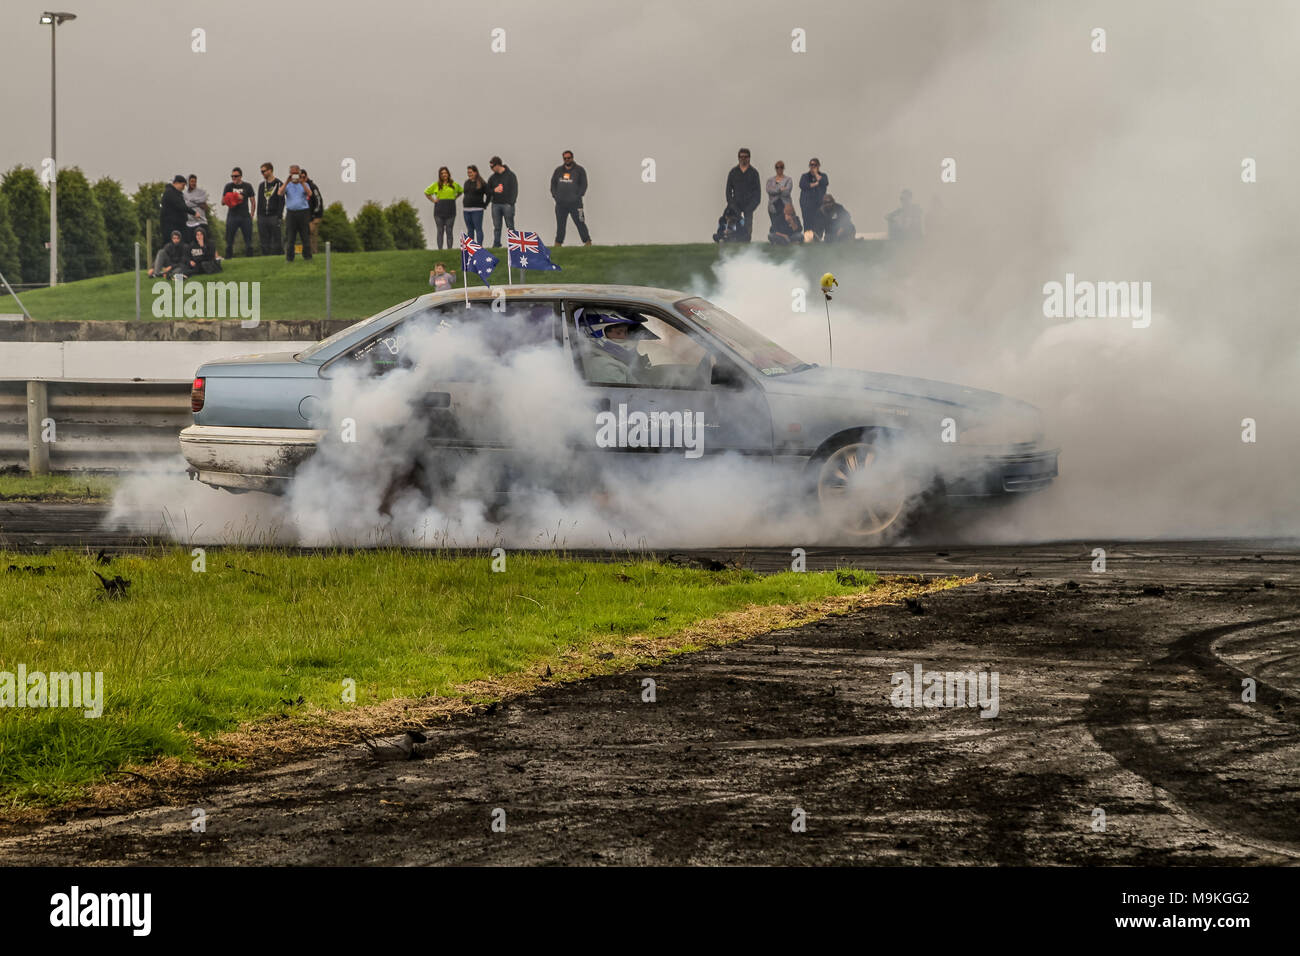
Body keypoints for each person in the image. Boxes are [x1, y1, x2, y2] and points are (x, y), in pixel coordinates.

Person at [575, 309, 651, 384]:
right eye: (618, 332)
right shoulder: (605, 367)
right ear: (596, 333)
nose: (624, 337)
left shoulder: (607, 358)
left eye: (626, 332)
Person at [550, 149, 591, 246]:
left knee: (580, 222)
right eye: (565, 158)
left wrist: (577, 196)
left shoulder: (580, 170)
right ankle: (558, 243)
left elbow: (584, 185)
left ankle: (587, 242)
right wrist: (556, 196)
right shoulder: (558, 171)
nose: (567, 160)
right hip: (561, 204)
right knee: (560, 225)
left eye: (568, 158)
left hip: (576, 204)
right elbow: (553, 184)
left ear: (572, 158)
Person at [724, 148, 761, 242]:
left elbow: (757, 193)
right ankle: (731, 239)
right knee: (731, 227)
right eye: (741, 157)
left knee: (747, 233)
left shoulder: (754, 173)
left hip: (749, 204)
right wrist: (732, 204)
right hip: (735, 204)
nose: (743, 159)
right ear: (738, 158)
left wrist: (751, 206)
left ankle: (745, 242)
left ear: (749, 158)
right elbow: (728, 191)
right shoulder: (733, 172)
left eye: (745, 157)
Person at [278, 164, 313, 261]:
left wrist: (302, 182)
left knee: (305, 236)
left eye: (296, 173)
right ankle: (289, 258)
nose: (295, 175)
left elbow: (310, 193)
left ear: (299, 173)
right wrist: (287, 181)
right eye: (292, 173)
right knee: (290, 237)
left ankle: (307, 257)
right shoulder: (288, 185)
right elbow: (280, 193)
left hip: (303, 212)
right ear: (290, 174)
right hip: (291, 213)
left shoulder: (305, 184)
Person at [423, 166, 463, 250]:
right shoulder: (436, 185)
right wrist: (433, 200)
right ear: (440, 175)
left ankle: (449, 250)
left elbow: (461, 191)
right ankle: (440, 250)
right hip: (439, 211)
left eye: (445, 173)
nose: (444, 175)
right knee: (440, 231)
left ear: (448, 174)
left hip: (451, 210)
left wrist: (455, 197)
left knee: (449, 231)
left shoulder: (454, 184)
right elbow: (426, 192)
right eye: (442, 173)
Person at [221, 167, 255, 258]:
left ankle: (250, 260)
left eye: (236, 176)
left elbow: (253, 201)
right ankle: (228, 259)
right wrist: (231, 197)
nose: (234, 178)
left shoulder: (247, 186)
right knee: (229, 241)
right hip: (232, 216)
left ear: (240, 176)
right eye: (232, 176)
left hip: (245, 216)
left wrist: (252, 214)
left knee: (248, 241)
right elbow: (222, 202)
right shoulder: (228, 186)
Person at [487, 156, 518, 247]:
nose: (491, 169)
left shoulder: (511, 175)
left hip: (507, 205)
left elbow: (514, 190)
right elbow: (487, 191)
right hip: (496, 205)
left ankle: (514, 245)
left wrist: (511, 203)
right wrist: (494, 190)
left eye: (492, 167)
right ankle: (496, 244)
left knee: (510, 226)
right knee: (497, 227)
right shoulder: (492, 178)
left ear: (497, 165)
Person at [256, 162, 284, 256]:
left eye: (264, 171)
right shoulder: (261, 185)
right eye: (261, 172)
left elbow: (281, 201)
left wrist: (279, 216)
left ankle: (277, 257)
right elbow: (259, 201)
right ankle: (265, 257)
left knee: (276, 239)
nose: (262, 174)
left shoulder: (279, 184)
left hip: (274, 216)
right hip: (262, 216)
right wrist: (258, 216)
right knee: (264, 239)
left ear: (270, 170)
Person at [798, 158, 829, 240]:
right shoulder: (805, 176)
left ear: (818, 166)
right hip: (807, 204)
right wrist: (815, 184)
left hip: (819, 204)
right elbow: (803, 185)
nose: (813, 166)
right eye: (811, 165)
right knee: (807, 222)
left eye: (815, 165)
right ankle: (808, 239)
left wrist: (816, 174)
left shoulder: (823, 176)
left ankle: (817, 239)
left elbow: (824, 182)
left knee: (819, 222)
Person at [462, 165, 488, 245]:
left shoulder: (481, 183)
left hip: (477, 210)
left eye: (471, 172)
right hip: (466, 210)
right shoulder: (467, 182)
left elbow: (489, 194)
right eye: (468, 172)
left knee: (478, 228)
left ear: (475, 172)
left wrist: (485, 204)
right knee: (470, 229)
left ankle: (479, 246)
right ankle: (471, 247)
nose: (469, 174)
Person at [160, 176, 189, 247]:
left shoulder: (177, 194)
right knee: (170, 245)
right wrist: (194, 213)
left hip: (177, 225)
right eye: (183, 185)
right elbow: (181, 206)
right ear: (177, 183)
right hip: (171, 226)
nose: (183, 188)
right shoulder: (170, 193)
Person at [765, 161, 793, 232]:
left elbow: (787, 192)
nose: (779, 169)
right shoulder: (770, 180)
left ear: (783, 168)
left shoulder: (788, 179)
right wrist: (780, 189)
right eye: (777, 167)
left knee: (785, 227)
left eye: (781, 167)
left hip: (785, 207)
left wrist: (775, 190)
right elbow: (769, 190)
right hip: (773, 207)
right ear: (775, 168)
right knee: (775, 227)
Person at [302, 168, 324, 254]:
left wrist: (315, 214)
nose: (303, 179)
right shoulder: (301, 187)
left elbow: (319, 200)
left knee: (311, 234)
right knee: (307, 235)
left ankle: (313, 252)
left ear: (306, 176)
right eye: (301, 177)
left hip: (314, 216)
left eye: (304, 177)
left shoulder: (312, 187)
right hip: (306, 216)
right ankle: (308, 252)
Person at [183, 174, 208, 241]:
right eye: (192, 181)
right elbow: (185, 205)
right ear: (187, 182)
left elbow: (204, 200)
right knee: (190, 243)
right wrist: (198, 203)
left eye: (195, 181)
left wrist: (191, 200)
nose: (194, 183)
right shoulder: (184, 194)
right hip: (189, 223)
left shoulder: (201, 192)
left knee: (202, 243)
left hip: (201, 222)